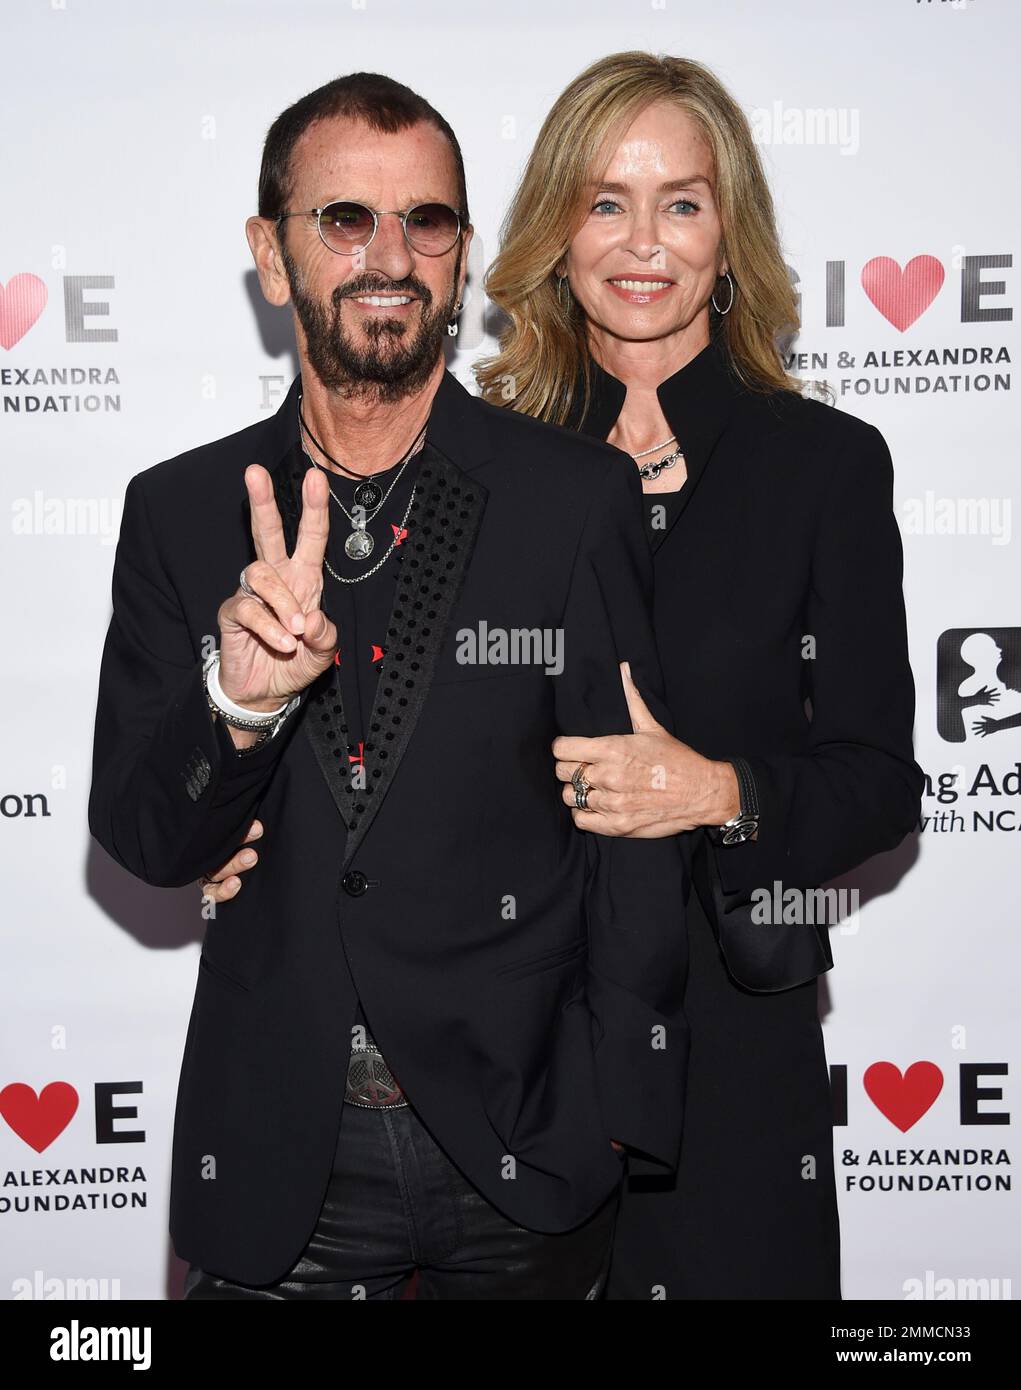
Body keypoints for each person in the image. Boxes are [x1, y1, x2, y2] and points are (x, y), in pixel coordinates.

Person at [88, 70, 692, 1300]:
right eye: (345, 220)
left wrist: (623, 1103)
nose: (390, 255)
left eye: (427, 221)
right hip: (279, 1143)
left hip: (523, 1133)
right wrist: (241, 704)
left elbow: (629, 820)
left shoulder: (572, 502)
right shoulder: (182, 512)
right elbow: (145, 835)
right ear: (272, 253)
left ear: (463, 255)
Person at [479, 51, 924, 1299]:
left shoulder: (823, 465)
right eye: (605, 200)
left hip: (732, 1042)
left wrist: (721, 791)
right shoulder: (480, 469)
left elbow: (880, 781)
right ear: (555, 234)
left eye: (682, 200)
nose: (643, 241)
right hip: (515, 1048)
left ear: (730, 236)